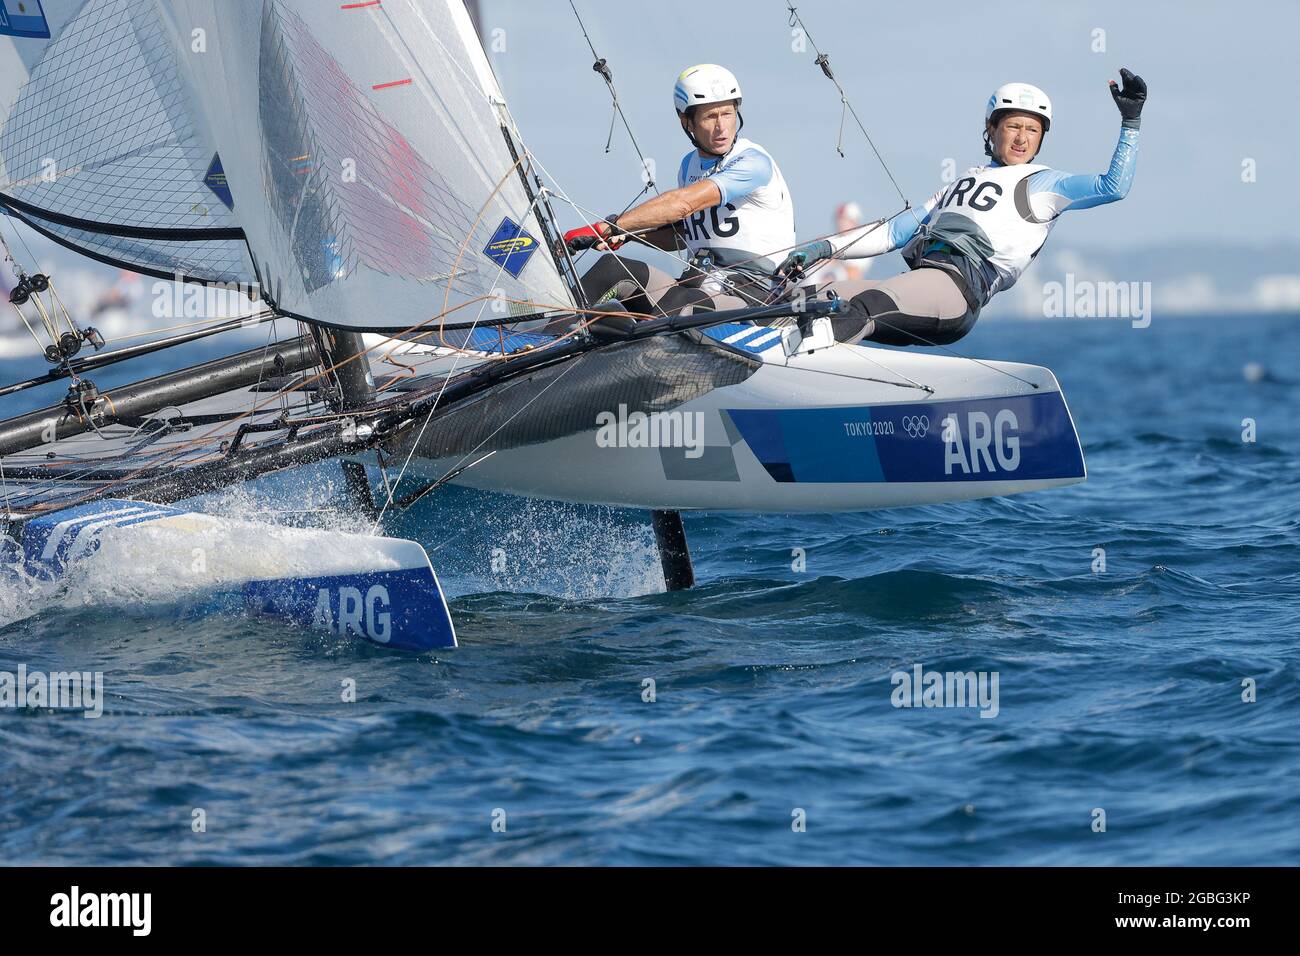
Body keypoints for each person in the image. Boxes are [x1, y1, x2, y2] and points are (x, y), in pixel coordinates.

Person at [778, 69, 1147, 346]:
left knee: (868, 303)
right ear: (992, 129)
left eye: (1032, 130)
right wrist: (821, 249)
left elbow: (1113, 187)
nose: (1021, 138)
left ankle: (807, 350)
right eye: (1013, 126)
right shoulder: (959, 183)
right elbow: (892, 232)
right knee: (811, 300)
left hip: (956, 294)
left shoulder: (1044, 184)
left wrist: (1130, 122)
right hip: (916, 284)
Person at [562, 64, 796, 317]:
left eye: (727, 114)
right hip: (698, 283)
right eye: (710, 117)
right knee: (611, 270)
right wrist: (630, 235)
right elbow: (683, 235)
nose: (722, 127)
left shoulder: (753, 162)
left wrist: (610, 227)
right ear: (687, 122)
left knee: (680, 301)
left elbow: (683, 204)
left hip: (753, 295)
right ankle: (539, 344)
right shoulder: (689, 166)